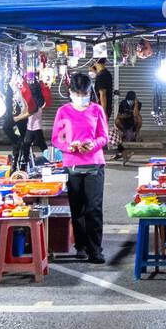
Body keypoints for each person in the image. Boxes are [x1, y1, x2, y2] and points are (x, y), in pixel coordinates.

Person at [52, 70, 109, 263]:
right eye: (77, 94)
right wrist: (69, 146)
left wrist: (93, 144)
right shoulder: (63, 112)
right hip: (72, 165)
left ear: (89, 92)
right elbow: (56, 139)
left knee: (94, 209)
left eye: (84, 94)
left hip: (94, 164)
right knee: (77, 210)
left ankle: (96, 250)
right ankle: (81, 246)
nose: (81, 97)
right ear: (71, 93)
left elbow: (104, 136)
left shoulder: (96, 110)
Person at [114, 89, 142, 156]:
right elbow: (118, 115)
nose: (130, 101)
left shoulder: (138, 104)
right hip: (125, 121)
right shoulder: (123, 103)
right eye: (129, 100)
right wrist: (123, 116)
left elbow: (135, 114)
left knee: (139, 118)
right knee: (117, 120)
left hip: (133, 121)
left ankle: (137, 133)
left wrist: (135, 104)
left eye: (132, 100)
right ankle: (124, 132)